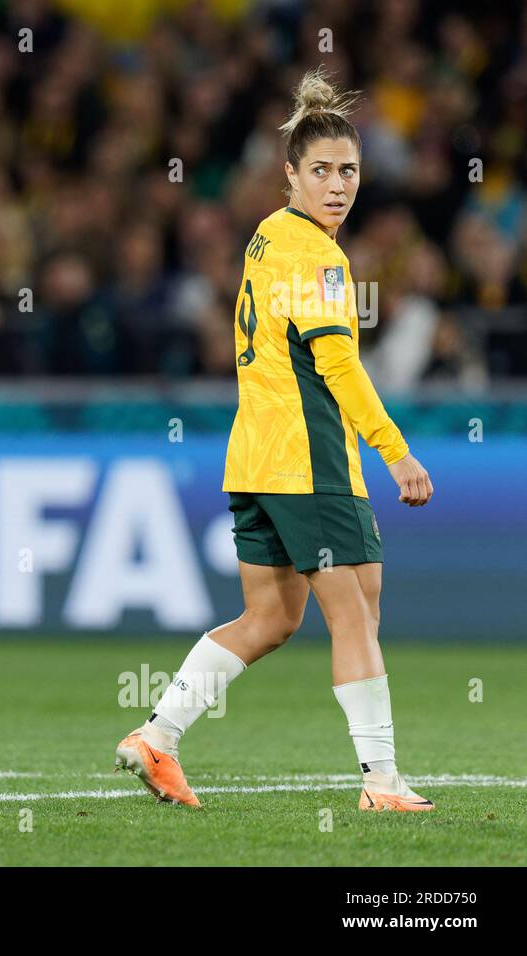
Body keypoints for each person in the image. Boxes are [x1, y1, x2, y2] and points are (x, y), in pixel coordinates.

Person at [113, 68, 436, 812]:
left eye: (349, 171)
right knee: (352, 612)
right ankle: (381, 782)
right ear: (289, 174)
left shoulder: (267, 236)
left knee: (274, 617)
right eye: (320, 170)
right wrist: (396, 450)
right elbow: (337, 364)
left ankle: (158, 737)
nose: (337, 185)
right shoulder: (319, 258)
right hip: (305, 459)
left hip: (253, 457)